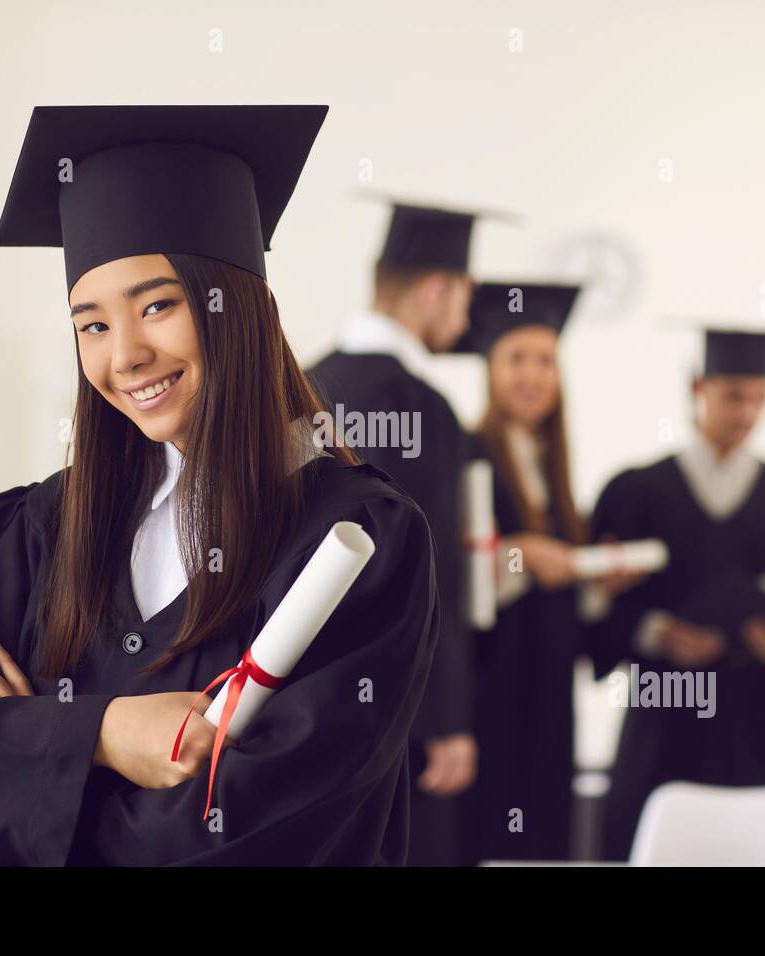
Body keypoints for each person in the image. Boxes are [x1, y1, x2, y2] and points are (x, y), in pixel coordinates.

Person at [0, 105, 441, 866]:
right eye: (90, 324)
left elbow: (267, 829)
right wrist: (106, 735)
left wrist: (27, 760)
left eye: (158, 305)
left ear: (237, 306)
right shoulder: (43, 527)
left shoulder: (357, 541)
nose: (124, 355)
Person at [586, 328, 765, 861]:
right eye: (733, 395)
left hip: (760, 735)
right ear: (697, 387)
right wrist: (656, 633)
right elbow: (595, 618)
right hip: (661, 726)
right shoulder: (634, 493)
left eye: (759, 397)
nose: (747, 412)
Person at [307, 202, 481, 865]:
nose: (465, 320)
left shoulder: (301, 383)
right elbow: (436, 576)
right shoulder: (425, 406)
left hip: (300, 705)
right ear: (435, 289)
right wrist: (448, 720)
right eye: (464, 297)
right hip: (396, 715)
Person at [450, 281, 592, 861]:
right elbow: (452, 572)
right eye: (516, 359)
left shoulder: (555, 471)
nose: (532, 376)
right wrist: (521, 555)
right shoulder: (465, 452)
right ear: (488, 368)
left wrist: (596, 584)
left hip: (551, 691)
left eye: (545, 361)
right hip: (490, 688)